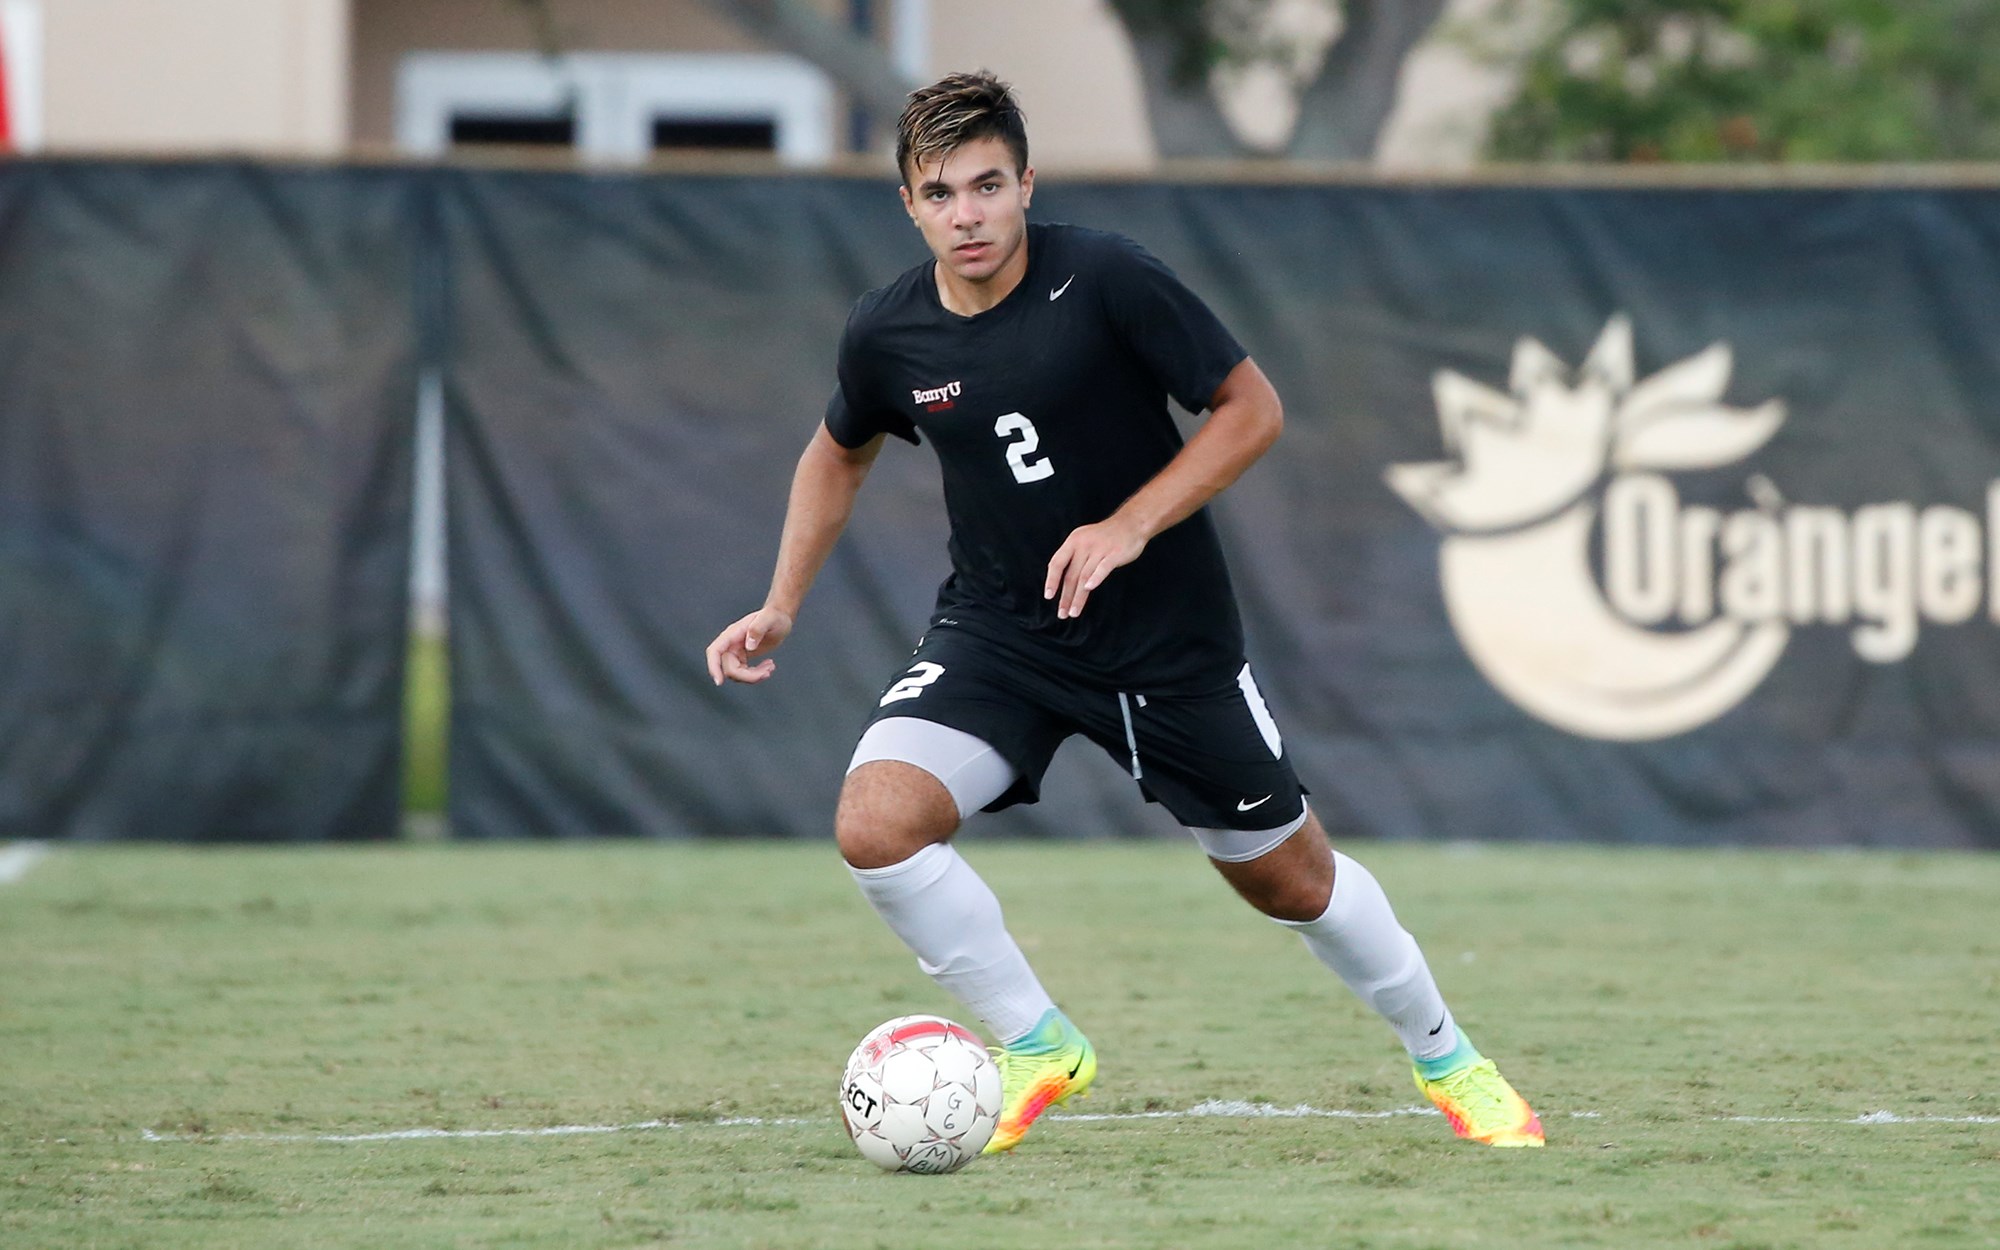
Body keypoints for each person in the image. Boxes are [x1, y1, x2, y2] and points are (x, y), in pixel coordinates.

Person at [705, 70, 1544, 1152]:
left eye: (987, 185)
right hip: (1000, 630)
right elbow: (837, 450)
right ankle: (1035, 1042)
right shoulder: (887, 333)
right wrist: (780, 602)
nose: (967, 214)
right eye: (940, 193)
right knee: (874, 824)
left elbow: (1252, 409)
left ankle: (1446, 1055)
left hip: (1163, 640)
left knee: (1291, 881)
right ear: (908, 206)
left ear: (1025, 183)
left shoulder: (1102, 277)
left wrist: (1129, 524)